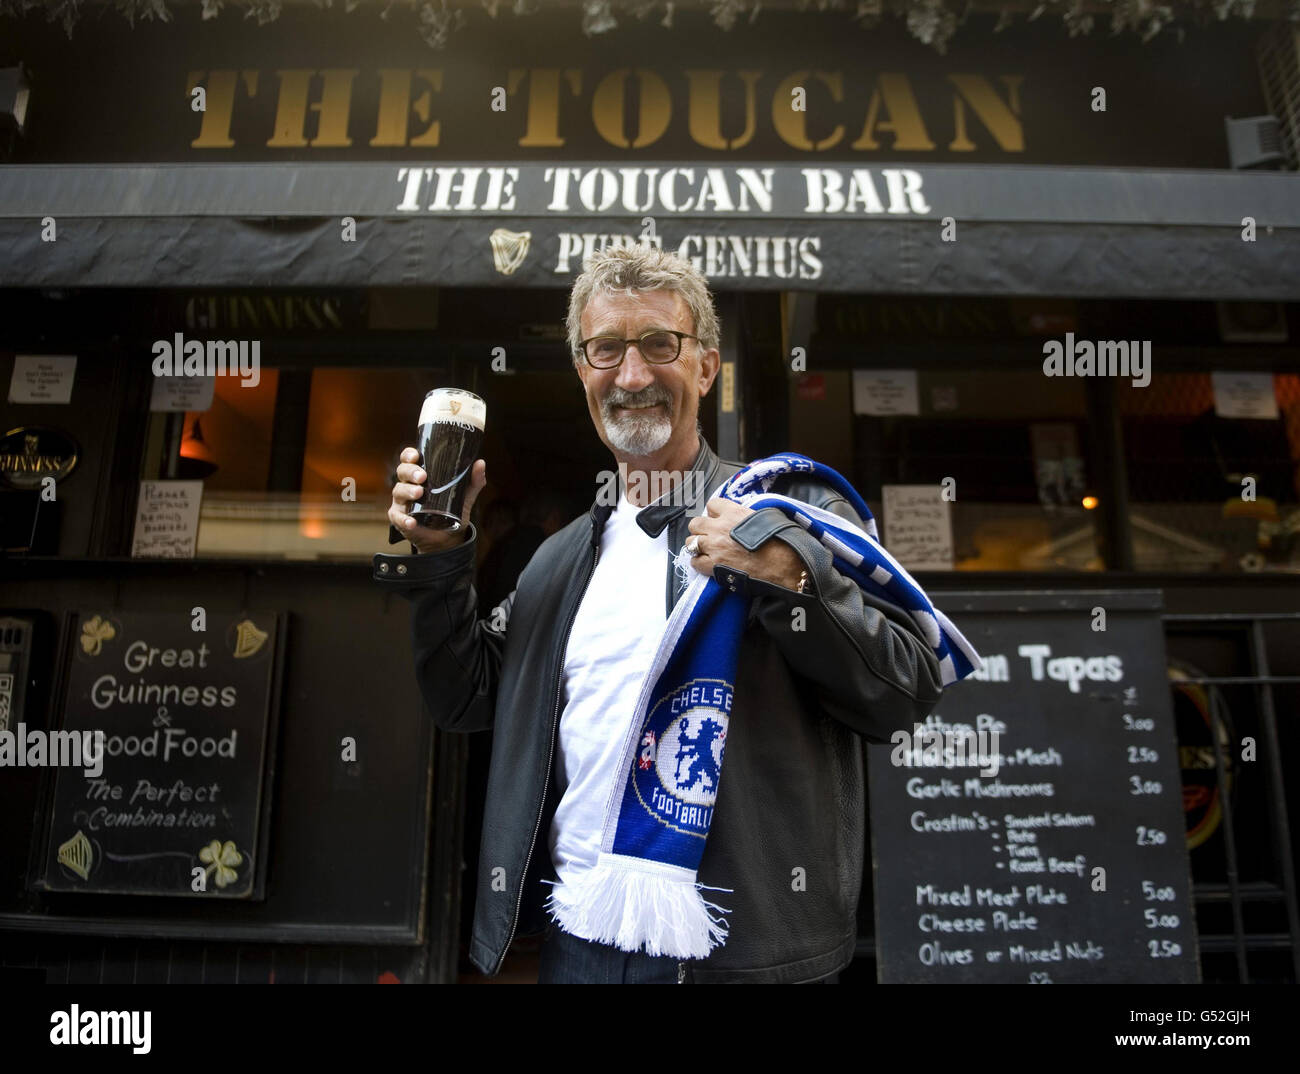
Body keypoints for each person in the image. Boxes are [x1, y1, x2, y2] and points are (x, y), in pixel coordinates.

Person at [375, 244, 948, 983]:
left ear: (707, 368)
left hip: (746, 955)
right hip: (580, 942)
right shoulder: (559, 559)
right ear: (583, 371)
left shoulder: (791, 511)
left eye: (659, 345)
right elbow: (465, 698)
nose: (633, 375)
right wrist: (439, 560)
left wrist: (791, 582)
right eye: (606, 349)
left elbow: (906, 689)